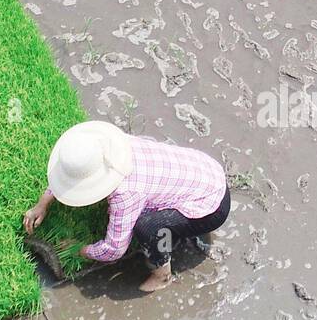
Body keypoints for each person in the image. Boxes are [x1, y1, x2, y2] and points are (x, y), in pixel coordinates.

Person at [23, 120, 230, 293]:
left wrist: (81, 251)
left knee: (148, 228)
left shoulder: (125, 194)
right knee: (141, 217)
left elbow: (114, 249)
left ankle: (163, 275)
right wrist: (42, 203)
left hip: (211, 208)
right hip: (206, 168)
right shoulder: (115, 145)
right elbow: (73, 174)